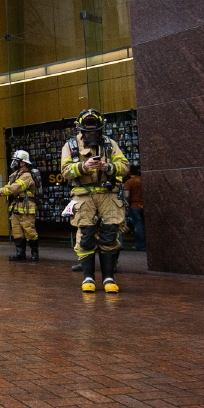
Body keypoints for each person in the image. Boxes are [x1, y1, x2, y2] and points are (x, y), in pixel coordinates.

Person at [62, 109, 130, 293]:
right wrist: (83, 166)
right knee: (86, 236)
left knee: (109, 234)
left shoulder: (110, 144)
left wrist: (107, 166)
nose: (92, 135)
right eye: (88, 132)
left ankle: (109, 278)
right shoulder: (70, 146)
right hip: (84, 197)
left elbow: (124, 167)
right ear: (81, 131)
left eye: (96, 131)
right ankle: (88, 278)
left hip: (108, 196)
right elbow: (65, 171)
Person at [0, 150, 40, 263]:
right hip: (16, 207)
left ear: (23, 163)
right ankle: (20, 254)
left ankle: (34, 254)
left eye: (16, 160)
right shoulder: (14, 175)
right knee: (17, 231)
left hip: (26, 207)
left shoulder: (27, 175)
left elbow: (15, 188)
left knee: (30, 231)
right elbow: (9, 187)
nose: (13, 162)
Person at [123, 165, 145, 252]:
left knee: (138, 226)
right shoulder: (142, 180)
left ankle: (140, 245)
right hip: (143, 205)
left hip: (134, 206)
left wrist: (127, 202)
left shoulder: (129, 182)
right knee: (143, 225)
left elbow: (127, 195)